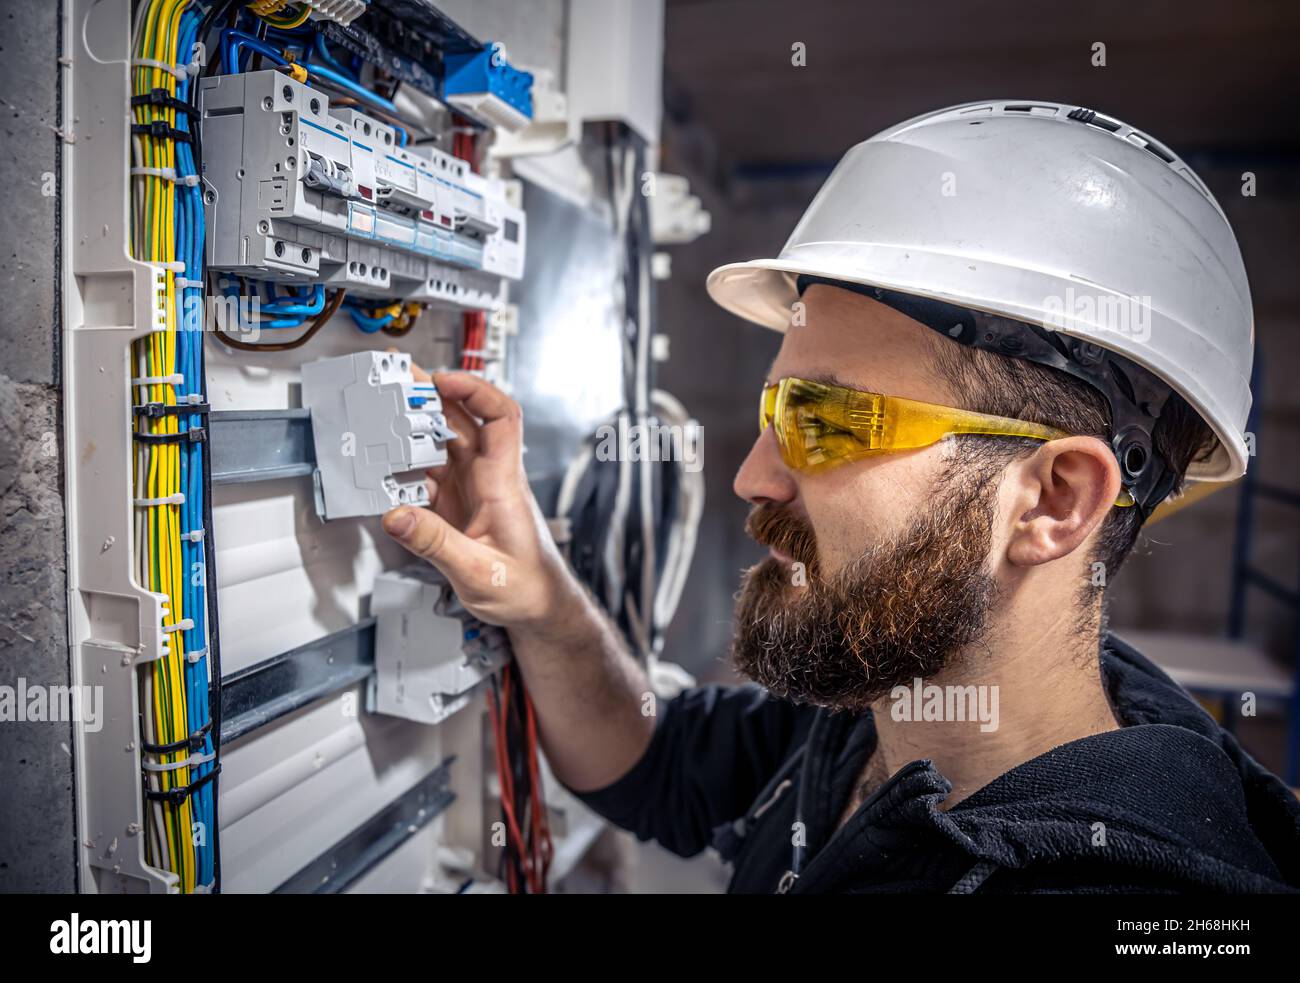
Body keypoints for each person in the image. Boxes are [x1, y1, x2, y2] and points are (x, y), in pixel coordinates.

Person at [381, 101, 1300, 893]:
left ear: (1054, 500)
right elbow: (654, 765)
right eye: (775, 407)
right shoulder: (885, 690)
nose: (752, 477)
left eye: (828, 419)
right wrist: (539, 593)